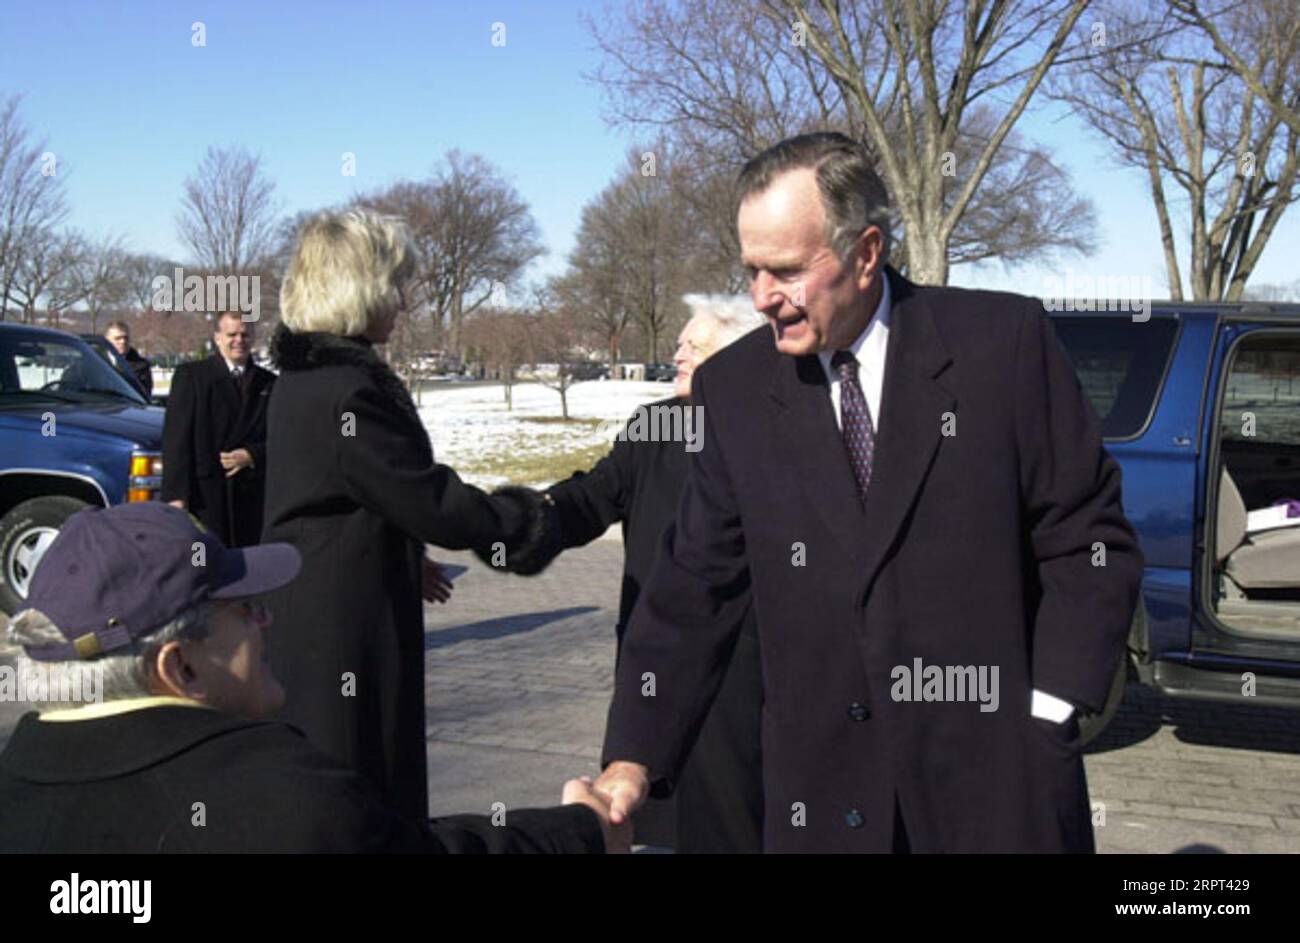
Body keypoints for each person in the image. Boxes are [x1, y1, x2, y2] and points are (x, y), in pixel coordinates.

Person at [592, 132, 1145, 853]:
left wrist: (1051, 706)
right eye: (751, 270)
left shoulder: (1001, 346)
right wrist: (632, 757)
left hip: (996, 786)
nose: (763, 298)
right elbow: (694, 587)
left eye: (785, 270)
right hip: (822, 804)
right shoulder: (734, 390)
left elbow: (1088, 537)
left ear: (865, 252)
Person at [0, 503, 623, 853]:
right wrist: (582, 832)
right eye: (244, 608)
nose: (267, 620)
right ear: (179, 667)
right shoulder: (271, 797)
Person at [261, 209, 557, 823]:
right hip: (342, 624)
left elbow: (350, 498)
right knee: (358, 784)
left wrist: (399, 548)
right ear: (358, 289)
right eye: (394, 284)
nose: (402, 299)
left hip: (316, 604)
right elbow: (429, 499)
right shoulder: (348, 389)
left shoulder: (305, 379)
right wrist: (525, 520)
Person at [502, 296, 766, 852]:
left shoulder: (767, 431)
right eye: (680, 343)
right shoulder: (656, 424)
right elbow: (595, 495)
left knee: (734, 818)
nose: (679, 353)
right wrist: (529, 518)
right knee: (653, 811)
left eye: (697, 346)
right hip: (657, 657)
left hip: (741, 665)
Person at [161, 312, 274, 547]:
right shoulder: (192, 377)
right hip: (206, 495)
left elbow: (282, 438)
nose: (239, 340)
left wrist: (252, 455)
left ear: (253, 337)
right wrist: (175, 497)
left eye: (245, 334)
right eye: (232, 334)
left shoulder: (269, 383)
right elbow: (176, 440)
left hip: (252, 497)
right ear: (217, 338)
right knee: (206, 566)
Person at [104, 320, 153, 397]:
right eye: (118, 338)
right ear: (106, 340)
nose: (123, 341)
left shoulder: (142, 366)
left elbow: (144, 394)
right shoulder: (95, 363)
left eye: (126, 338)